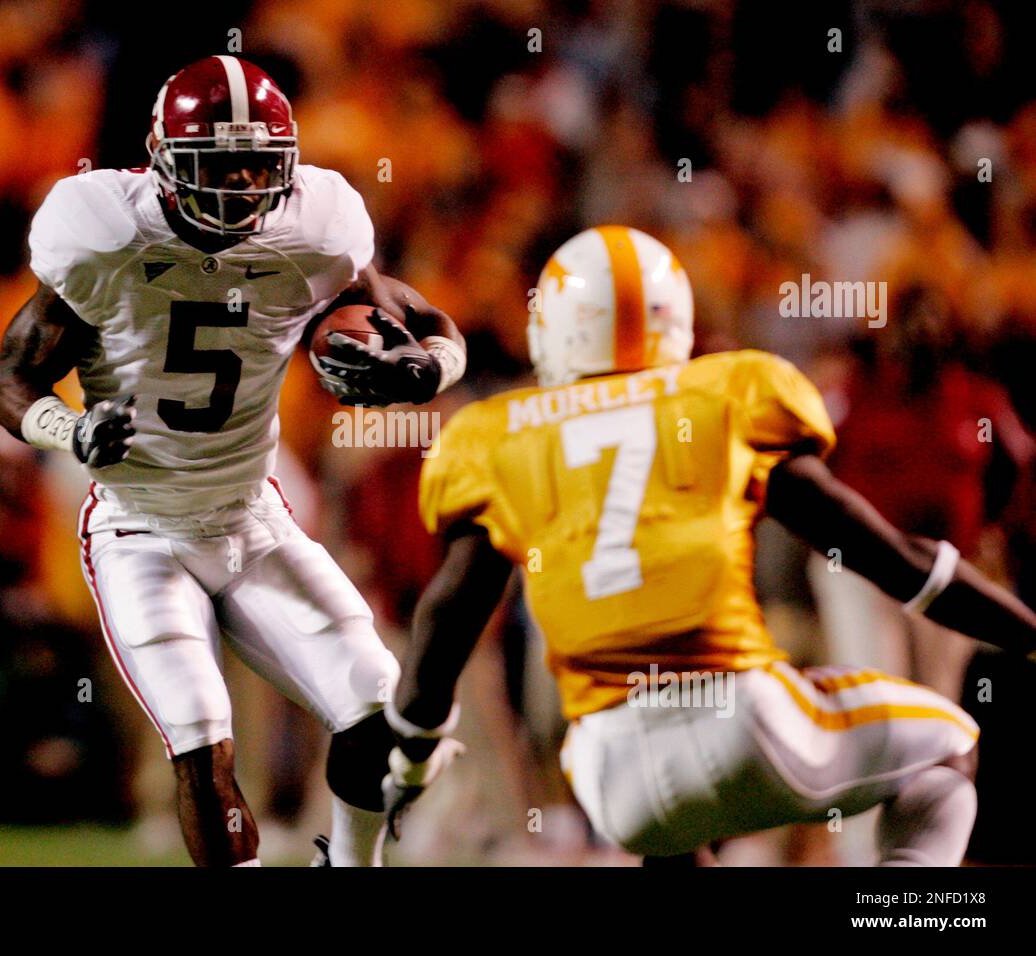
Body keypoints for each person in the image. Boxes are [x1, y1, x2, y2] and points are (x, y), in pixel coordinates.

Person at [385, 225, 1036, 866]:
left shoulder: (501, 434)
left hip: (611, 773)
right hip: (744, 725)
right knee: (950, 739)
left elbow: (448, 612)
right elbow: (903, 563)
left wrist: (411, 754)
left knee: (672, 837)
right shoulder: (727, 394)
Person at [0, 56, 466, 867]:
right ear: (164, 160)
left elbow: (431, 323)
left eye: (259, 164)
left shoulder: (316, 230)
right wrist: (69, 431)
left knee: (378, 711)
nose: (242, 183)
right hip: (141, 530)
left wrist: (425, 371)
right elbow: (13, 377)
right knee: (203, 742)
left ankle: (349, 863)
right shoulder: (104, 232)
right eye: (219, 165)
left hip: (254, 516)